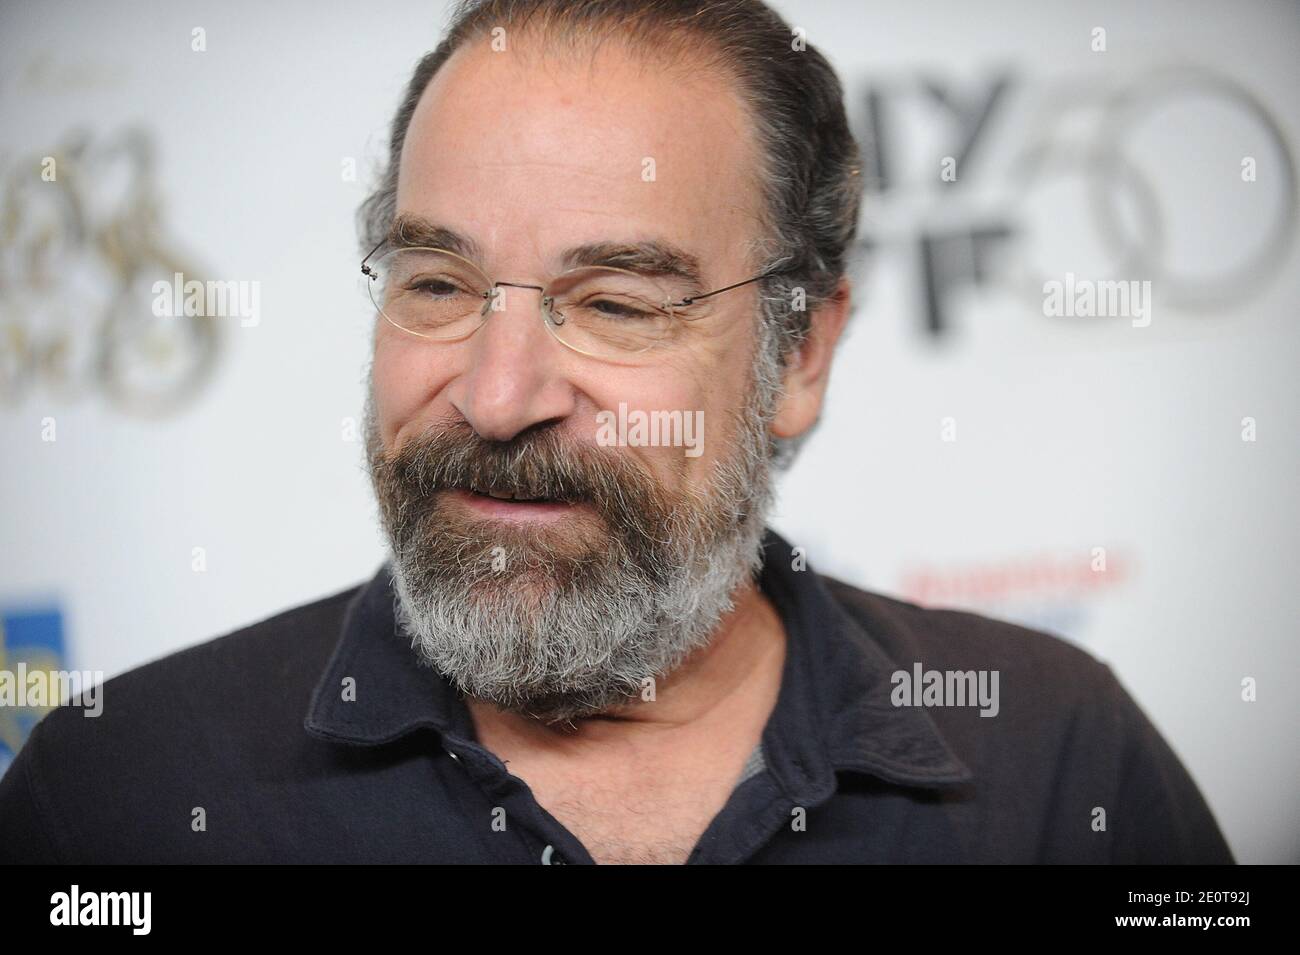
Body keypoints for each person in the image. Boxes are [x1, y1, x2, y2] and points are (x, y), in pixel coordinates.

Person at [0, 0, 1233, 864]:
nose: (498, 396)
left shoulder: (1053, 760)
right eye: (438, 283)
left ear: (799, 356)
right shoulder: (124, 794)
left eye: (616, 305)